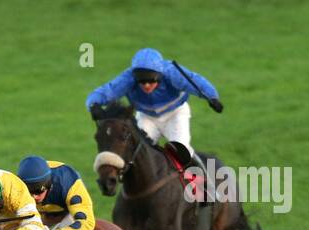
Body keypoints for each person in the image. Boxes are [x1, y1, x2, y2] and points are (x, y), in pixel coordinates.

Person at [85, 47, 222, 177]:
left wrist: (212, 96)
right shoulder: (128, 78)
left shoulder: (172, 72)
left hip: (175, 114)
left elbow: (194, 81)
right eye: (142, 81)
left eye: (151, 80)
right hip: (147, 117)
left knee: (181, 150)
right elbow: (108, 90)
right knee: (135, 152)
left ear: (160, 75)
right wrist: (93, 104)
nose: (146, 85)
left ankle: (203, 187)